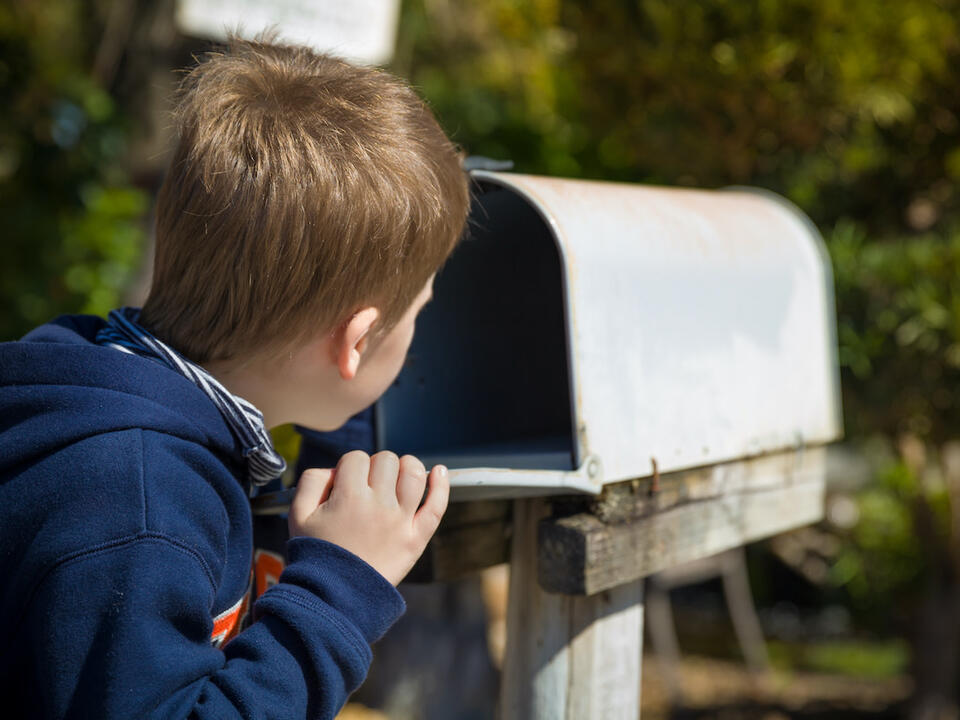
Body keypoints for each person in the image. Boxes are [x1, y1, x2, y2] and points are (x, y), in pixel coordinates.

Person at [0, 35, 470, 719]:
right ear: (359, 342)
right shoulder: (138, 509)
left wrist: (347, 448)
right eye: (418, 313)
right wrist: (340, 590)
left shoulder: (119, 401)